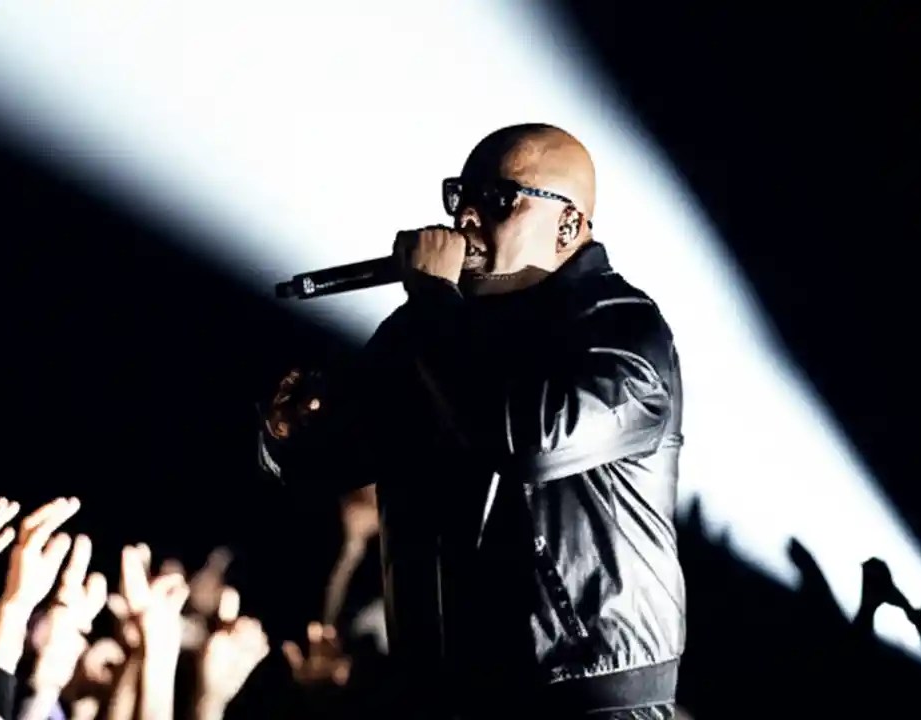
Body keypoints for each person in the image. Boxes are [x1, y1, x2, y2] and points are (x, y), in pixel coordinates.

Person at [259, 124, 685, 719]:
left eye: (500, 198)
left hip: (581, 700)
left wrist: (434, 300)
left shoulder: (620, 329)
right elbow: (332, 464)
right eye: (461, 194)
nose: (466, 218)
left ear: (568, 225)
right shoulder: (427, 332)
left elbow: (526, 439)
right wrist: (290, 431)